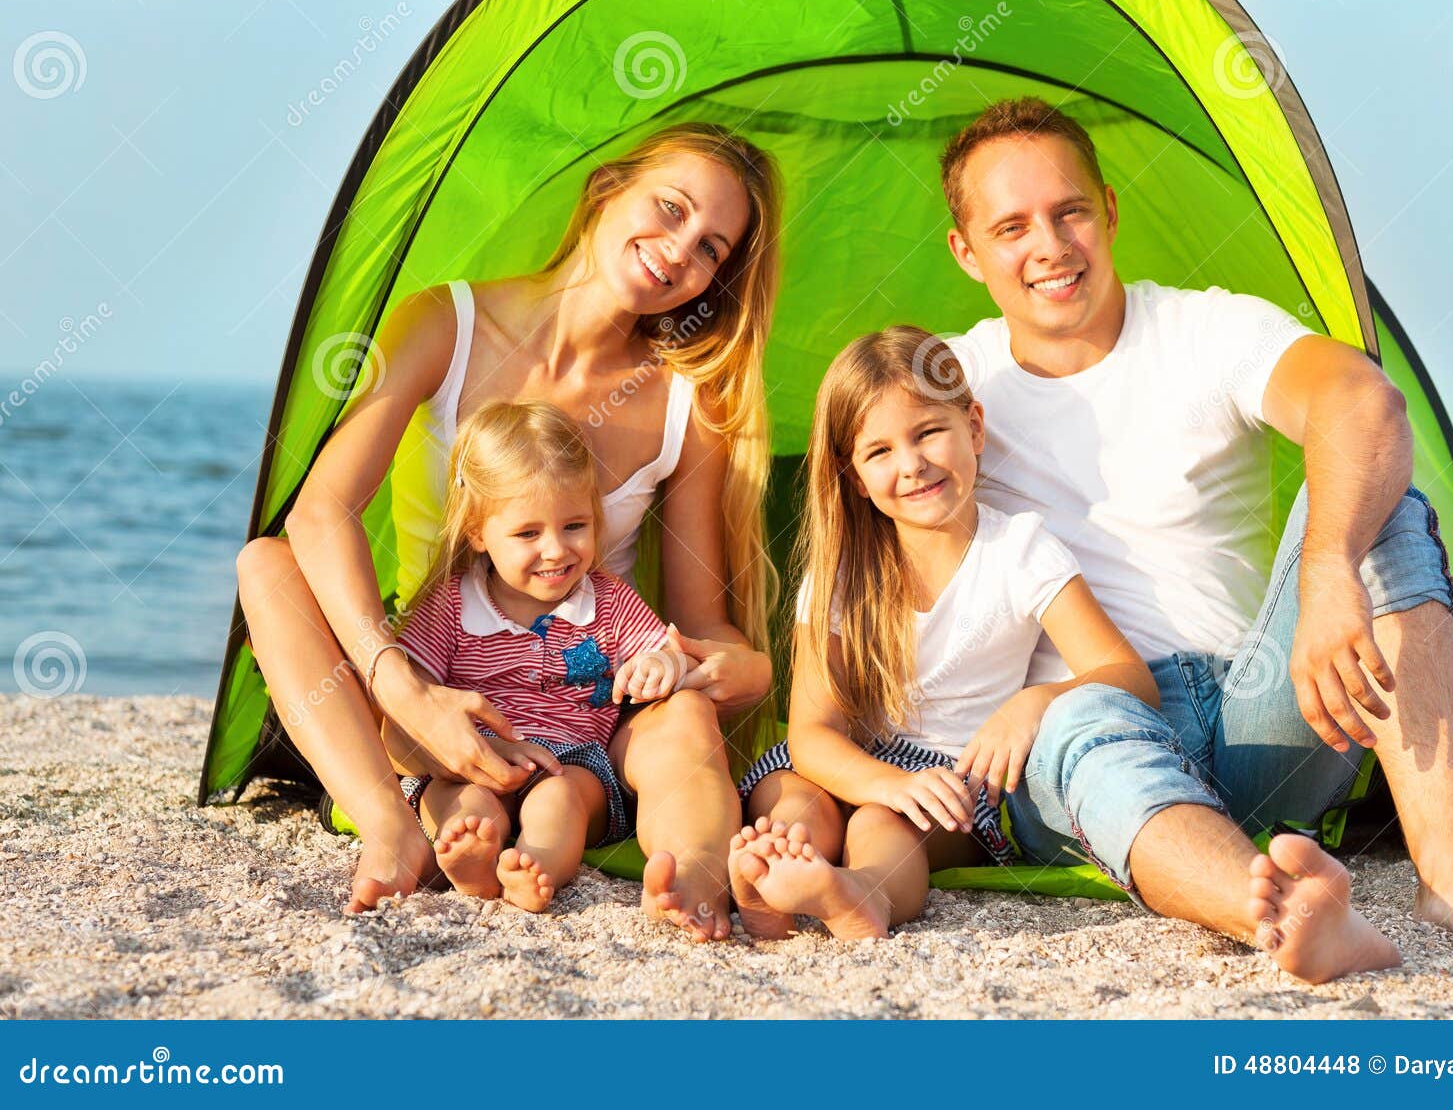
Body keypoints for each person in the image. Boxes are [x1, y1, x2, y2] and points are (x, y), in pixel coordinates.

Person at [931, 97, 1453, 981]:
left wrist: (1327, 571)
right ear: (968, 252)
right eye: (1012, 227)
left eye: (1069, 210)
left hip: (1255, 713)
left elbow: (1366, 403)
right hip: (1077, 732)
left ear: (1109, 211)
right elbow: (852, 515)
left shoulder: (1204, 329)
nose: (1049, 245)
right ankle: (1278, 914)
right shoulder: (948, 385)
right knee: (1083, 715)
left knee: (1376, 495)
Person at [235, 123, 782, 938]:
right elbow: (322, 510)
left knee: (685, 725)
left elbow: (707, 630)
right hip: (438, 665)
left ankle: (691, 879)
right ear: (606, 190)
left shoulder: (685, 402)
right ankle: (390, 826)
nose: (677, 251)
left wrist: (728, 671)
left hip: (587, 702)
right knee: (265, 565)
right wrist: (405, 690)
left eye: (710, 249)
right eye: (668, 209)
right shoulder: (445, 323)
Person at [729, 327, 1157, 940]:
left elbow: (1131, 680)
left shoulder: (1020, 551)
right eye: (879, 452)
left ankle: (858, 893)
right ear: (854, 477)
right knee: (789, 801)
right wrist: (881, 779)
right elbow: (812, 735)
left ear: (974, 429)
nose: (912, 465)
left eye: (928, 432)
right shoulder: (840, 574)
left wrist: (1034, 704)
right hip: (849, 764)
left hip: (948, 782)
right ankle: (773, 879)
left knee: (881, 824)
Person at [384, 401, 693, 913]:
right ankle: (470, 855)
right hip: (477, 754)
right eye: (528, 533)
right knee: (459, 798)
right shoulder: (451, 604)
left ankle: (535, 865)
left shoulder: (608, 601)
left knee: (561, 800)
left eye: (574, 526)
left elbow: (665, 650)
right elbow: (415, 695)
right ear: (479, 533)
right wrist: (463, 755)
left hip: (573, 761)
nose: (555, 550)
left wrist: (664, 666)